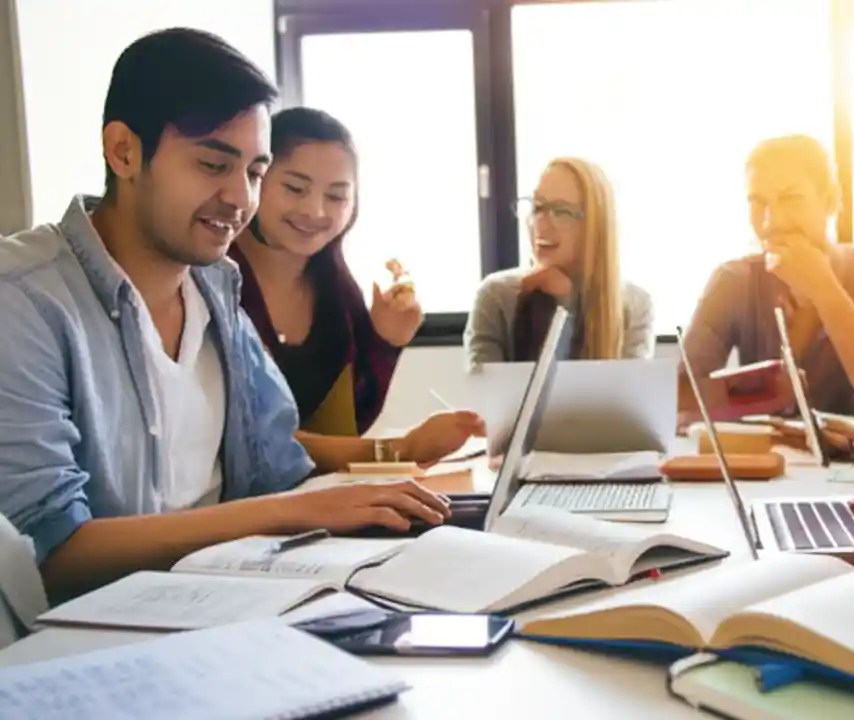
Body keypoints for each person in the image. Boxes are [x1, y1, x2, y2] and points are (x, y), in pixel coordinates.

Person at [0, 29, 452, 601]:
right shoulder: (23, 299)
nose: (240, 199)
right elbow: (50, 557)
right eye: (213, 164)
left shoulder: (216, 288)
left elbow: (280, 466)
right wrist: (289, 512)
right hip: (94, 644)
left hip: (230, 602)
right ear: (123, 152)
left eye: (255, 173)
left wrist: (377, 492)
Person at [230, 107, 483, 466]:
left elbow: (346, 428)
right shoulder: (215, 279)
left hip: (315, 501)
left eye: (336, 196)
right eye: (294, 188)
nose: (315, 211)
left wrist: (384, 341)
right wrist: (400, 451)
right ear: (256, 179)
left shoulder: (334, 284)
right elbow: (251, 438)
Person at [682, 135, 854, 419]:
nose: (772, 222)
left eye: (791, 199)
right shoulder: (734, 280)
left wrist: (823, 288)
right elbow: (681, 397)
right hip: (768, 458)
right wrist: (764, 390)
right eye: (758, 203)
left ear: (829, 201)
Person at [464, 157, 654, 366]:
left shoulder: (635, 305)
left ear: (594, 225)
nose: (541, 225)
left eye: (561, 211)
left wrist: (566, 304)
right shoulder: (496, 295)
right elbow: (485, 393)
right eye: (537, 207)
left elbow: (624, 395)